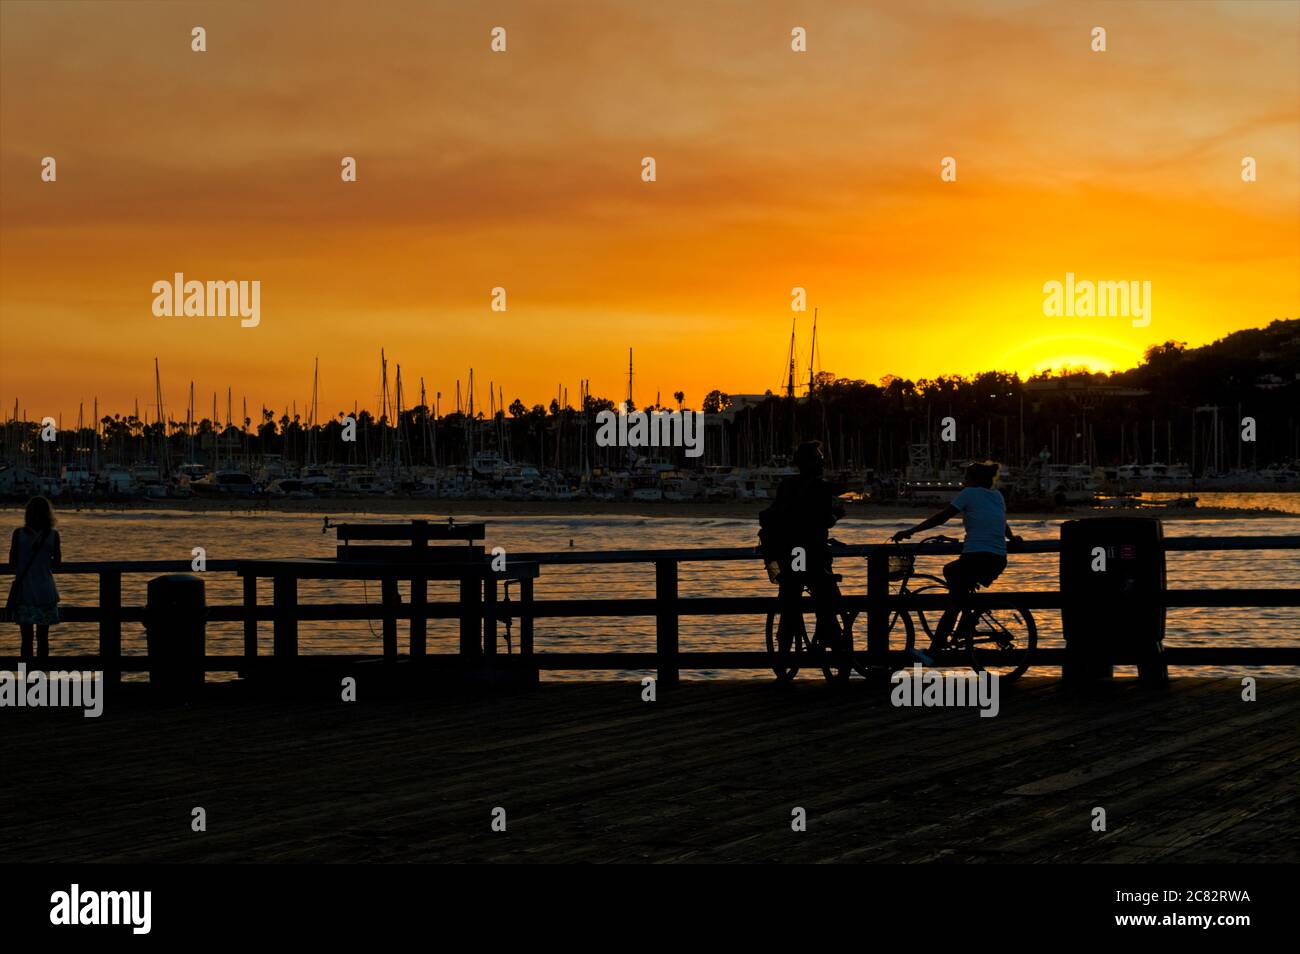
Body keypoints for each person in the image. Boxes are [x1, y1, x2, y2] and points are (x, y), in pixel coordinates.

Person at [891, 461, 1021, 659]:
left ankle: (934, 652)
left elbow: (941, 518)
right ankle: (966, 620)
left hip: (976, 556)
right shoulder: (997, 495)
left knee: (952, 587)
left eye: (966, 478)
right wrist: (1012, 539)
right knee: (958, 586)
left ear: (974, 479)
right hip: (998, 558)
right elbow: (1002, 522)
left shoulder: (969, 493)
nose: (964, 481)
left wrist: (911, 531)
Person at [759, 441, 847, 654]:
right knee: (826, 596)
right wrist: (837, 514)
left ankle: (784, 649)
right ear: (809, 463)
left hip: (787, 553)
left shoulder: (786, 485)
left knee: (790, 598)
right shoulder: (821, 487)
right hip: (811, 553)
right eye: (819, 459)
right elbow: (824, 520)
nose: (822, 463)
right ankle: (831, 638)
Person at [7, 496, 62, 660]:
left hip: (25, 592)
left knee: (26, 640)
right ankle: (42, 675)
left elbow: (12, 562)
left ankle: (27, 677)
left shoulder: (18, 534)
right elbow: (57, 563)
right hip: (46, 591)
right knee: (43, 639)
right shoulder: (53, 535)